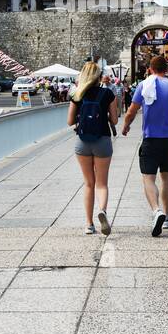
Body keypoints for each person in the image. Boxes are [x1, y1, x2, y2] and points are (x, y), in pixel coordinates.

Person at [121, 53, 168, 236]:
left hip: (150, 139)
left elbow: (131, 111)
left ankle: (156, 210)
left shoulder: (144, 85)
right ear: (167, 69)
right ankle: (167, 216)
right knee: (166, 177)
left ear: (150, 69)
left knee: (148, 178)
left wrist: (126, 126)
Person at [69, 61, 118, 235]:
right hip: (102, 140)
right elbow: (114, 120)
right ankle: (102, 211)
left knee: (89, 183)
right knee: (102, 183)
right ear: (99, 77)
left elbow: (69, 121)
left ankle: (89, 224)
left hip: (82, 142)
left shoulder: (77, 93)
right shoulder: (108, 93)